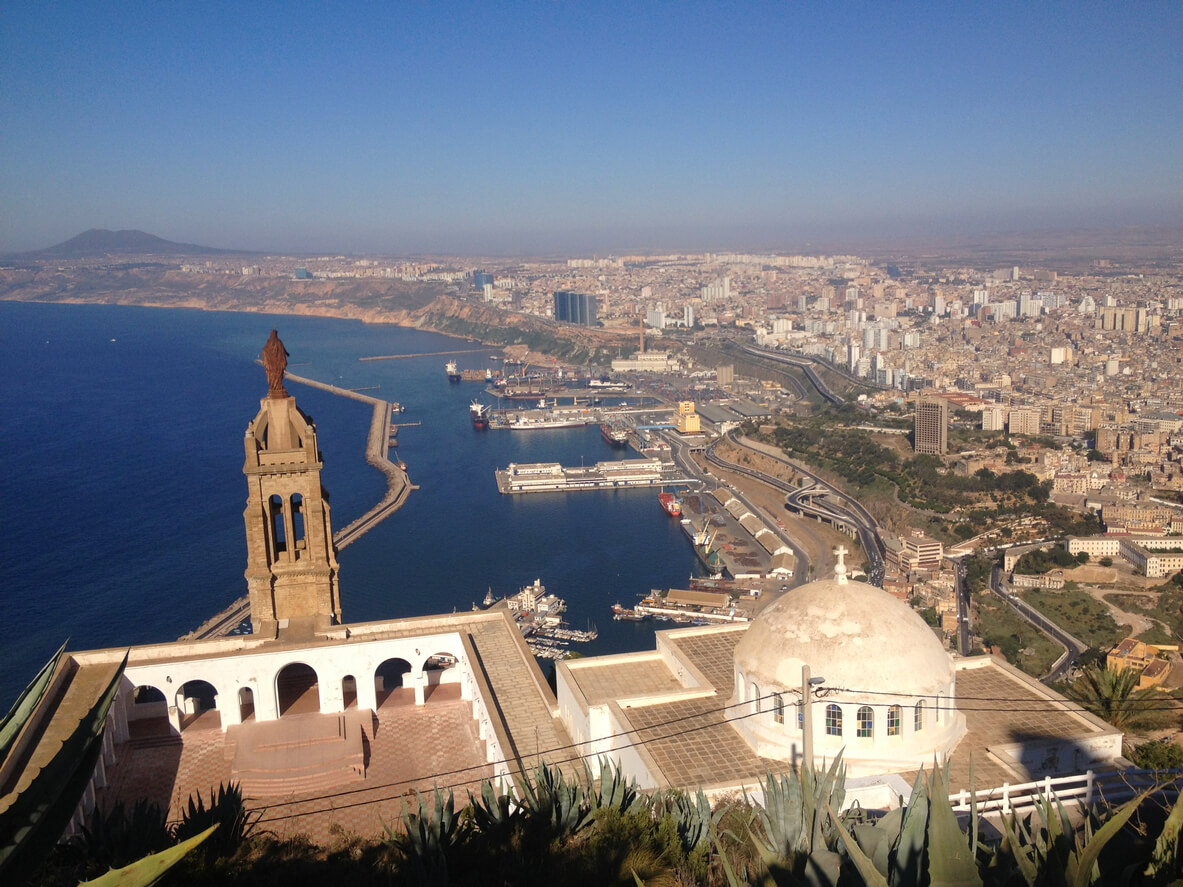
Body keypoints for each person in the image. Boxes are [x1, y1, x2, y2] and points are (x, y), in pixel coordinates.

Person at [262, 329, 289, 398]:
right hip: (277, 365)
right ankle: (277, 387)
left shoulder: (268, 342)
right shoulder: (278, 342)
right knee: (278, 376)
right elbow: (283, 351)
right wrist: (287, 354)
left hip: (271, 365)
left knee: (272, 376)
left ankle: (274, 387)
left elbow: (265, 351)